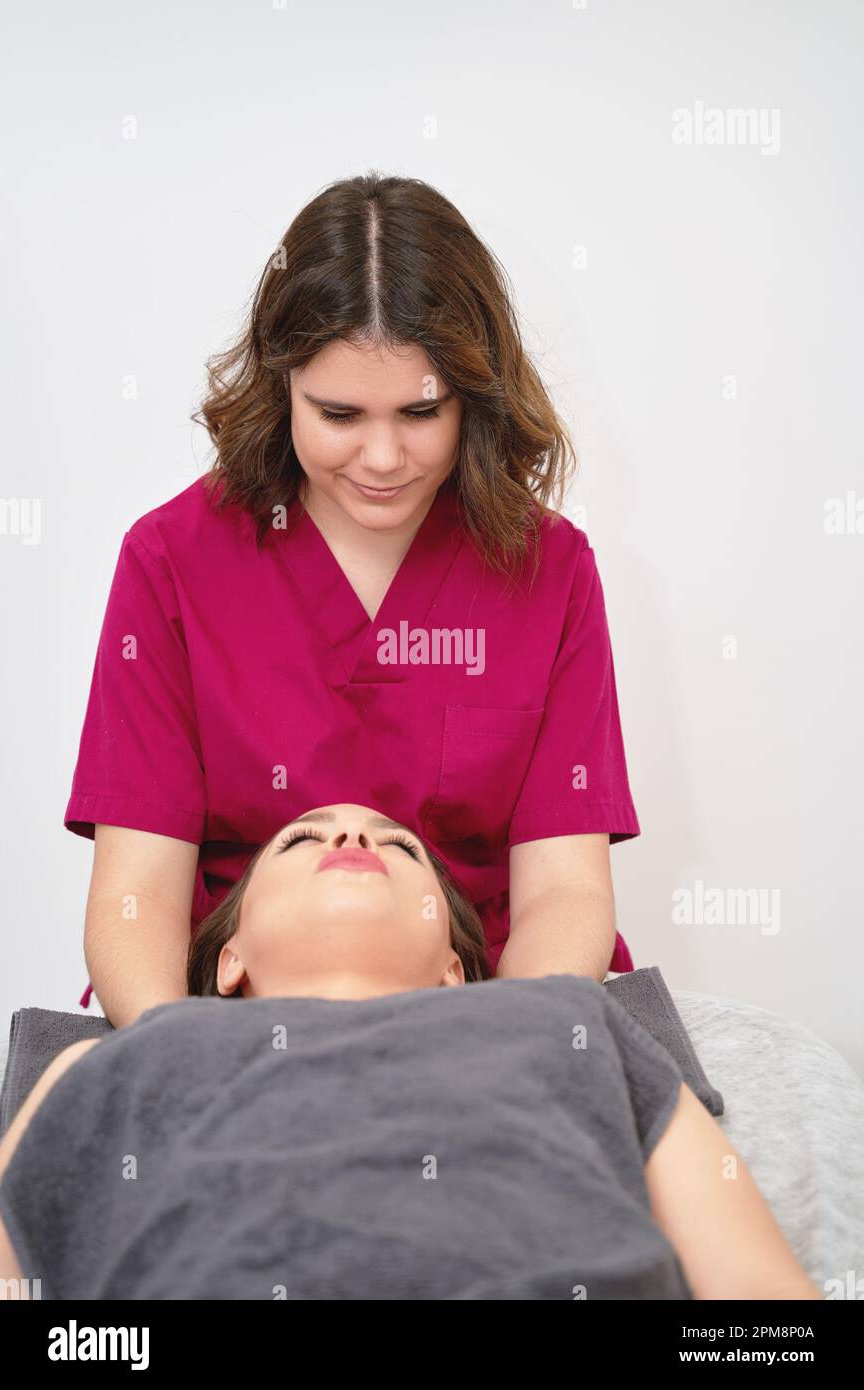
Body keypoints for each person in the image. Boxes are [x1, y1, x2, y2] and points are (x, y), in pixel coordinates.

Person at [65, 171, 642, 1031]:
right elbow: (136, 894)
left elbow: (565, 890)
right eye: (338, 414)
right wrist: (171, 1056)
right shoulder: (171, 562)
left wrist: (502, 1053)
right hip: (221, 1024)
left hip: (493, 1013)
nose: (381, 458)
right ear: (279, 385)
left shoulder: (549, 569)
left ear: (473, 396)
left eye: (420, 413)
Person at [0, 805, 821, 1301]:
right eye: (298, 841)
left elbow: (760, 1303)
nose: (355, 830)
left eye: (400, 847)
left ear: (456, 969)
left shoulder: (574, 1025)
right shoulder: (123, 1059)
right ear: (228, 959)